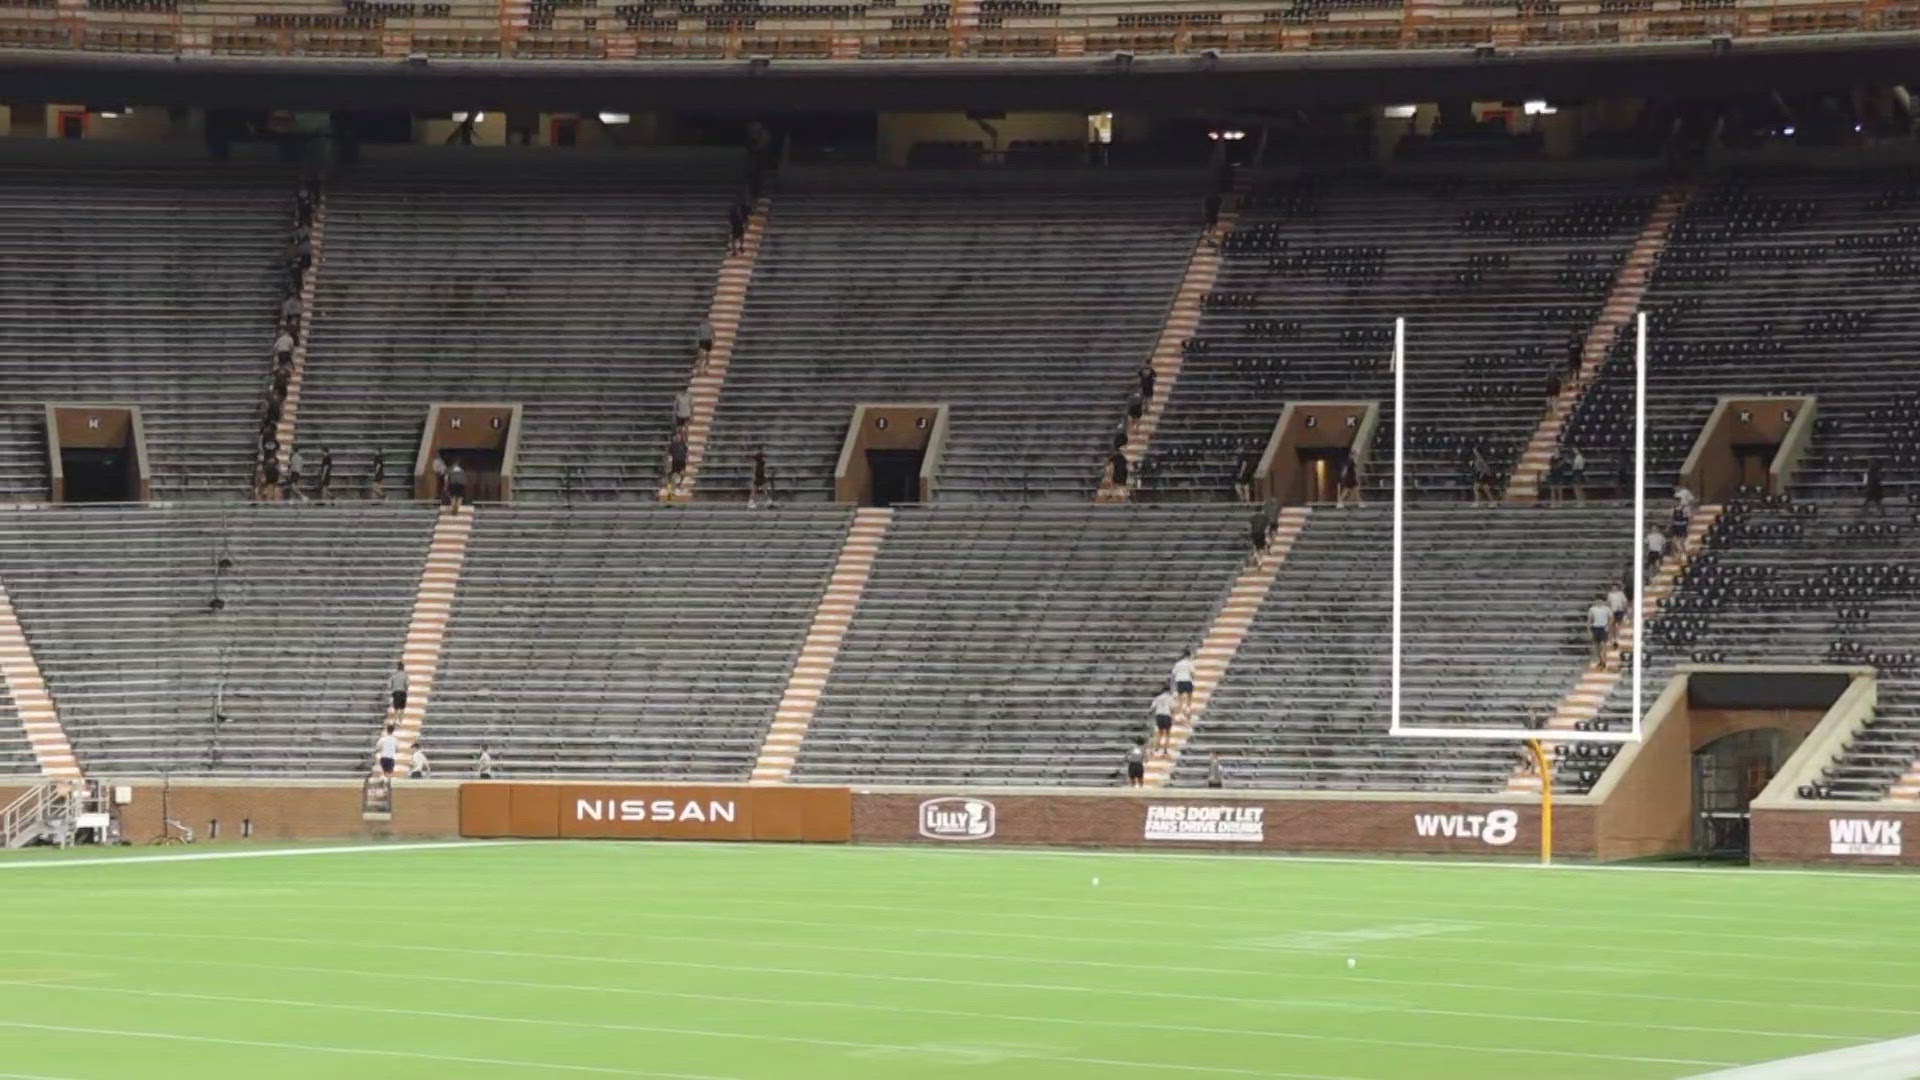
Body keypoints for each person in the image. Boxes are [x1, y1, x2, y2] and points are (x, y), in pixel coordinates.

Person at [1586, 593, 1613, 667]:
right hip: (1595, 628)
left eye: (1600, 600)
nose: (1598, 602)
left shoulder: (1606, 609)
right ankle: (1600, 660)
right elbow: (1589, 620)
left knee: (1603, 645)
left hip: (1603, 628)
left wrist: (1608, 626)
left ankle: (1604, 661)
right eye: (1597, 600)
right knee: (1597, 647)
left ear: (1603, 601)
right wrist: (1589, 631)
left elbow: (1611, 618)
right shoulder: (1592, 609)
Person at [1150, 684, 1176, 756]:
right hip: (1167, 715)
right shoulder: (1170, 698)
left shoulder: (1157, 698)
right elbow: (1173, 708)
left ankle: (1156, 748)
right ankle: (1165, 750)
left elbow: (1152, 708)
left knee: (1160, 733)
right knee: (1167, 734)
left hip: (1159, 715)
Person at [1171, 648, 1197, 720]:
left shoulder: (1178, 663)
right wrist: (1194, 681)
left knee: (1180, 699)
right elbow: (1193, 673)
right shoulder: (1189, 663)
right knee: (1189, 698)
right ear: (1188, 656)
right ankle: (1188, 711)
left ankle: (1179, 714)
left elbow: (1173, 674)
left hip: (1180, 681)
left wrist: (1172, 685)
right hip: (1187, 681)